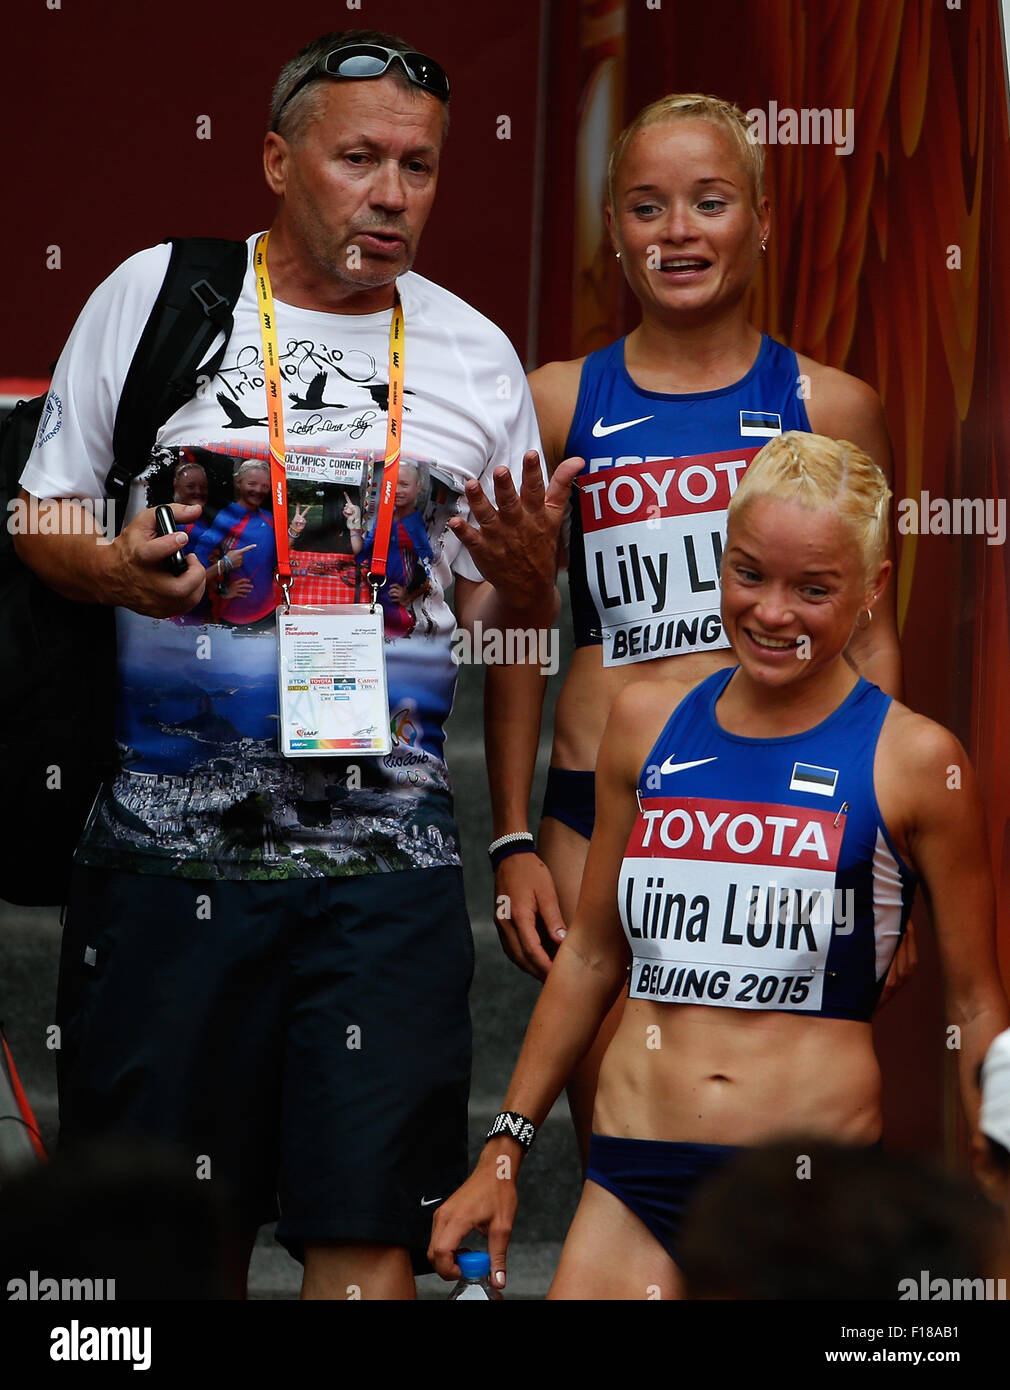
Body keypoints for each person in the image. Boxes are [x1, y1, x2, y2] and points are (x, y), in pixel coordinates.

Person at [15, 28, 577, 1300]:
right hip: (166, 862)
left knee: (370, 1233)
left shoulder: (475, 354)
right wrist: (114, 569)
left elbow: (489, 608)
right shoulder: (157, 293)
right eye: (359, 159)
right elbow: (41, 513)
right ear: (277, 160)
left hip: (386, 878)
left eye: (419, 168)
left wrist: (528, 586)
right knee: (157, 1245)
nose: (390, 194)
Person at [430, 431, 1009, 1298]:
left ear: (872, 590)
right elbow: (592, 956)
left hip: (808, 1196)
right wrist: (506, 1145)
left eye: (813, 589)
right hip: (629, 1178)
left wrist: (996, 1173)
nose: (772, 613)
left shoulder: (917, 761)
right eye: (749, 574)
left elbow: (973, 998)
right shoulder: (644, 724)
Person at [484, 94, 910, 1163]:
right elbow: (515, 628)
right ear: (613, 232)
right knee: (621, 1152)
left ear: (761, 220)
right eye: (644, 206)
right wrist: (509, 834)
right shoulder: (551, 401)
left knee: (763, 1180)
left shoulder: (834, 404)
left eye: (707, 202)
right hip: (598, 809)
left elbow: (871, 640)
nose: (676, 232)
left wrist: (887, 842)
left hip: (790, 813)